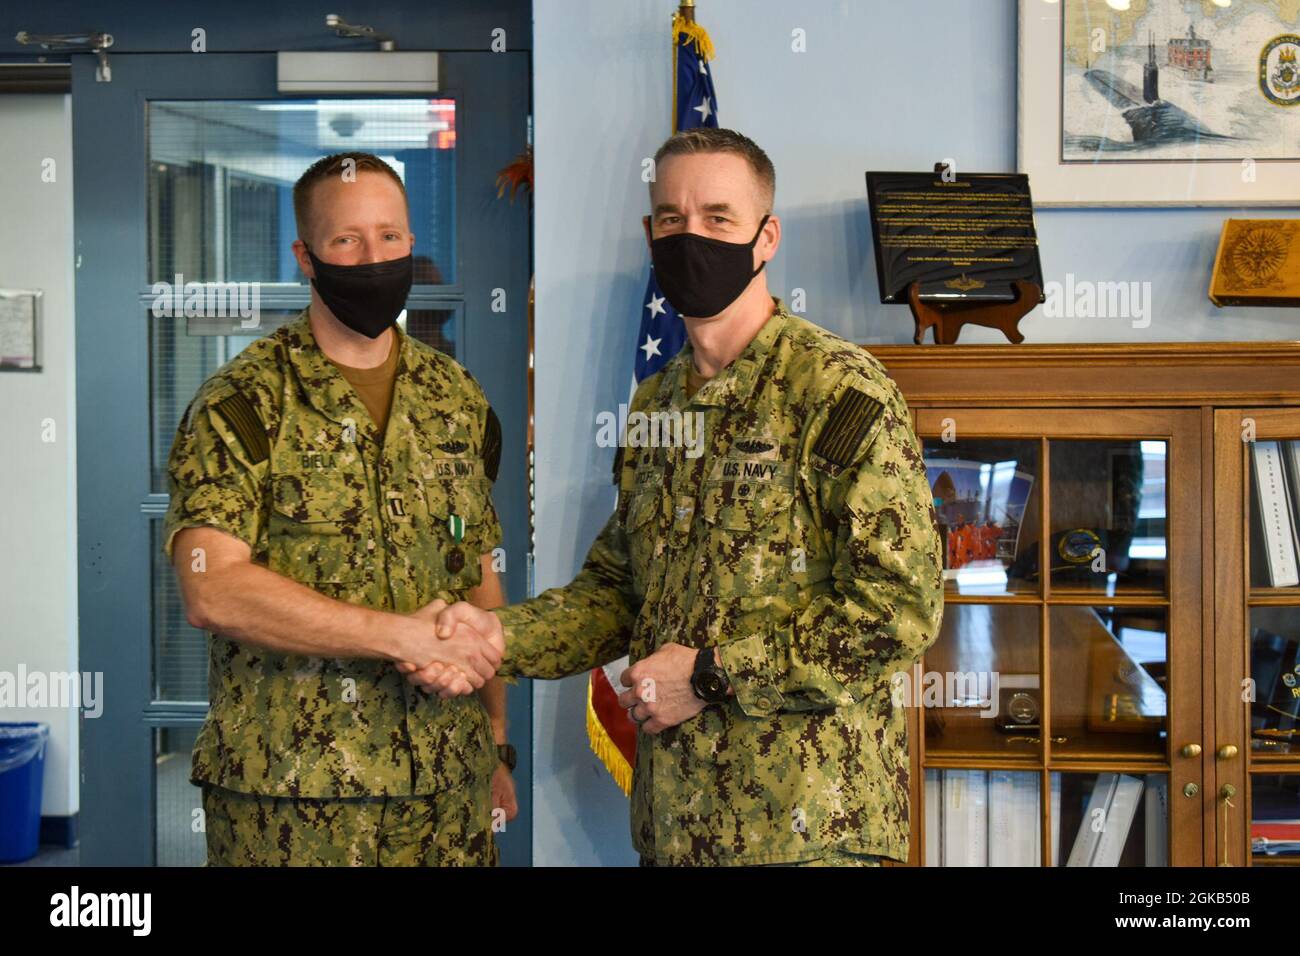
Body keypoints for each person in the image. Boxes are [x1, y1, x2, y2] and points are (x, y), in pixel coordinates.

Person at [405, 128, 945, 866]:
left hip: (808, 832)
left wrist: (709, 675)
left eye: (718, 218)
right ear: (650, 235)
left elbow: (899, 609)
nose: (691, 236)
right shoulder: (658, 401)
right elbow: (618, 590)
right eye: (671, 219)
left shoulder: (837, 390)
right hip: (678, 827)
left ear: (766, 237)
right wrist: (496, 637)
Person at [163, 151, 516, 866]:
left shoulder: (457, 400)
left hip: (445, 788)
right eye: (346, 240)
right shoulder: (242, 403)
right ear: (306, 255)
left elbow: (478, 574)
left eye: (390, 237)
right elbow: (211, 588)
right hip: (291, 800)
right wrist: (399, 637)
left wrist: (497, 741)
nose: (372, 257)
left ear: (412, 245)